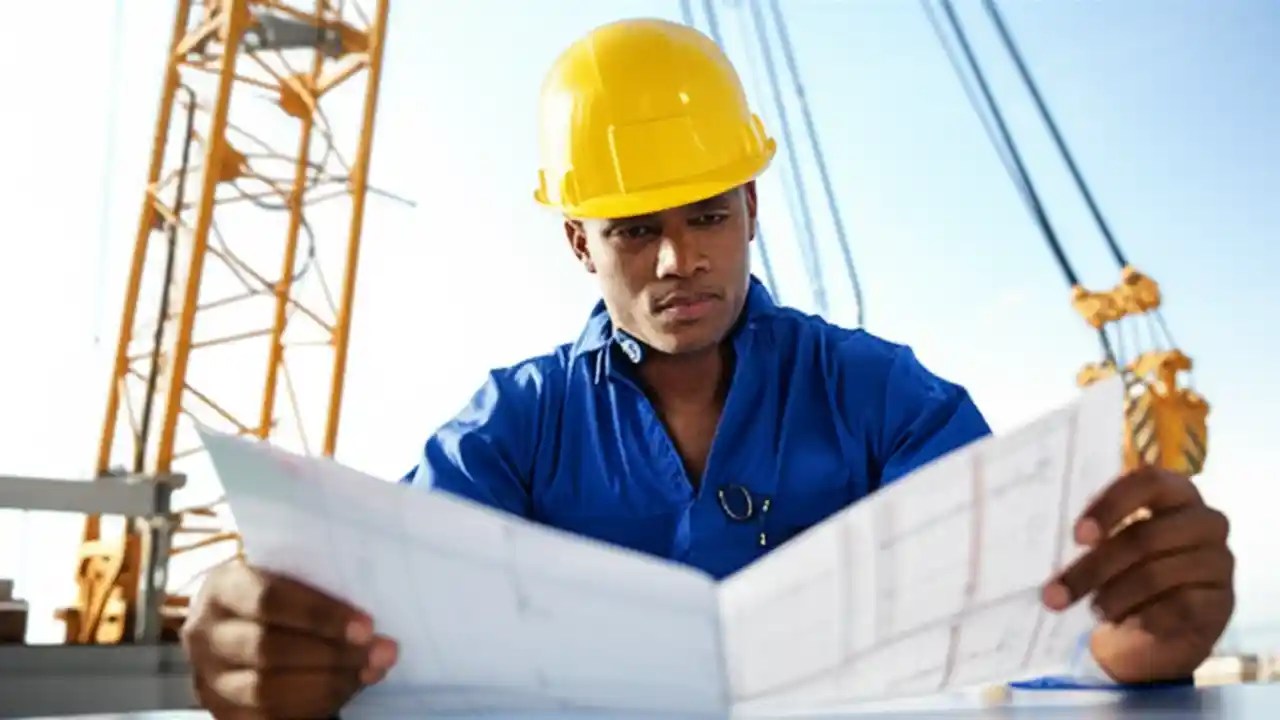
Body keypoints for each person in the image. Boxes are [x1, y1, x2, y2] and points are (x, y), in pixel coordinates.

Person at [180, 17, 1235, 719]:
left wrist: (1138, 644)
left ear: (751, 210)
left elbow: (1029, 623)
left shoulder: (881, 395)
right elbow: (376, 630)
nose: (680, 257)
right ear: (578, 244)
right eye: (634, 230)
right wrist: (274, 640)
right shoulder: (510, 422)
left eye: (708, 215)